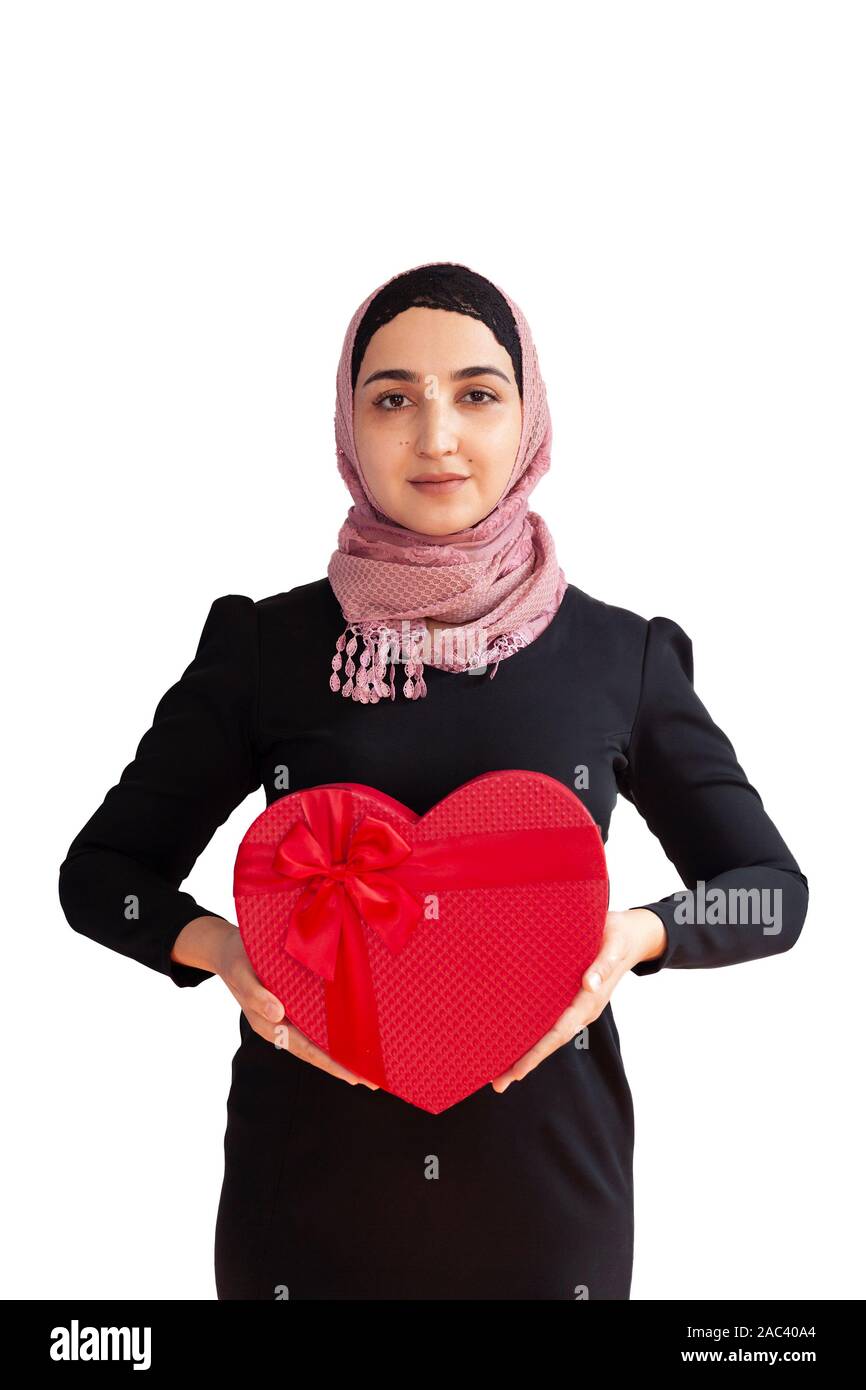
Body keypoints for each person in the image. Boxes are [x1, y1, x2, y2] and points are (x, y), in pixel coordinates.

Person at [58, 260, 809, 1300]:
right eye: (393, 398)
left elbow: (773, 891)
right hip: (307, 1207)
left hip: (546, 1211)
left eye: (475, 393)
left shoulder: (618, 656)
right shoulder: (263, 648)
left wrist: (631, 937)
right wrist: (225, 952)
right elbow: (101, 874)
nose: (435, 435)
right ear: (347, 423)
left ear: (527, 415)